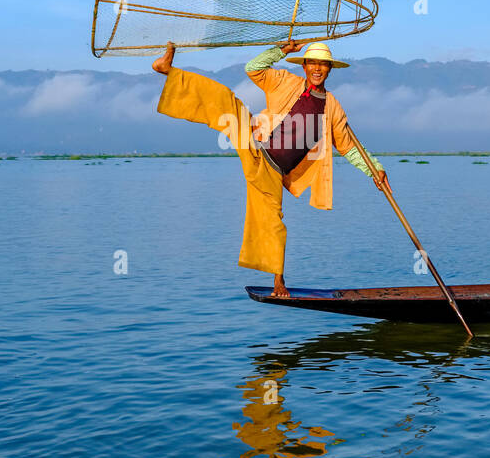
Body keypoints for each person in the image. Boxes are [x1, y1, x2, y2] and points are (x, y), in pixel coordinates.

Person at [152, 38, 389, 298]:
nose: (317, 69)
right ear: (305, 65)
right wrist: (281, 51)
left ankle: (279, 283)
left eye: (323, 64)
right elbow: (253, 68)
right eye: (312, 63)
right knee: (228, 103)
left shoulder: (332, 106)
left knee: (274, 225)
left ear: (330, 69)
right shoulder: (286, 81)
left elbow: (348, 147)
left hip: (274, 173)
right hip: (257, 148)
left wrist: (374, 170)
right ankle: (169, 71)